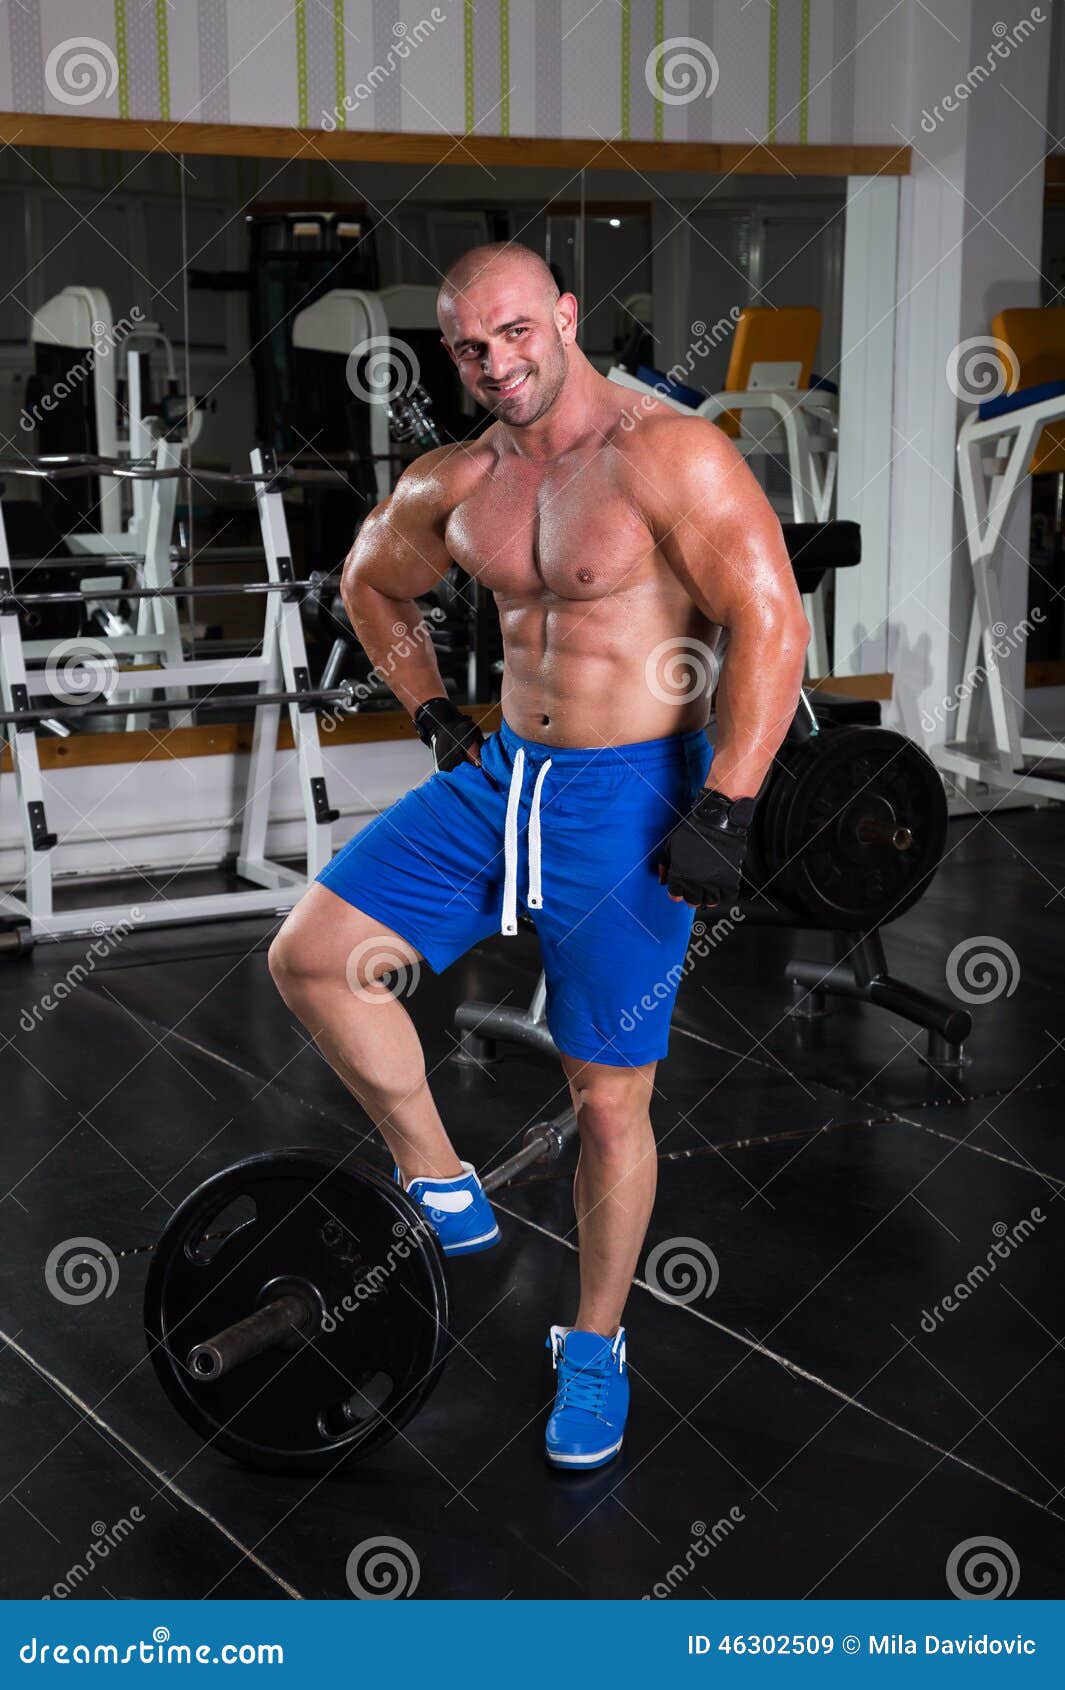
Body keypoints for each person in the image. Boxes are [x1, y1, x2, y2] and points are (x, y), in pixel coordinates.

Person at [269, 242, 808, 1471]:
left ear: (563, 315)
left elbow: (772, 614)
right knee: (312, 956)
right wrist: (428, 713)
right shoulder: (456, 481)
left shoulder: (666, 452)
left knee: (608, 1100)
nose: (498, 361)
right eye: (470, 346)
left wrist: (725, 807)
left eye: (517, 331)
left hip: (631, 795)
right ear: (450, 355)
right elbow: (368, 585)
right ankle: (439, 1176)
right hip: (505, 774)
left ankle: (595, 1343)